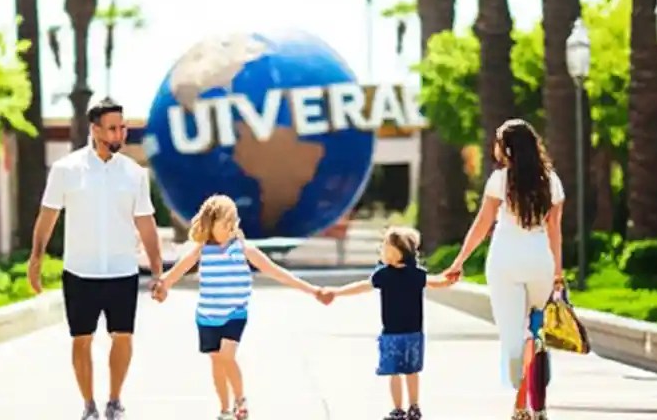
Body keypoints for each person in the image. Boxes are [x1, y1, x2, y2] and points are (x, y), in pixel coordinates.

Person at [27, 98, 165, 420]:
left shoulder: (135, 174)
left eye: (123, 127)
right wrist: (36, 258)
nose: (120, 134)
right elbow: (48, 217)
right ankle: (89, 405)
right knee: (81, 340)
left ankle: (114, 401)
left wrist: (158, 271)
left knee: (123, 336)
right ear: (95, 130)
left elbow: (146, 223)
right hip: (80, 271)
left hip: (121, 270)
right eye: (113, 128)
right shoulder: (66, 170)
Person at [154, 194, 323, 420]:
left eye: (233, 224)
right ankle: (224, 409)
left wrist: (312, 289)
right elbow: (178, 270)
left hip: (235, 313)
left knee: (227, 355)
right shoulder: (201, 249)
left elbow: (275, 271)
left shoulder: (242, 248)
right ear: (210, 224)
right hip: (207, 315)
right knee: (216, 361)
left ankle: (240, 400)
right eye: (224, 225)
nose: (229, 229)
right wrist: (163, 284)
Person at [443, 119, 564, 420]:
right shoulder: (551, 181)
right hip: (540, 263)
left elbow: (482, 224)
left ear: (507, 148)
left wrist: (459, 261)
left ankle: (522, 402)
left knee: (513, 341)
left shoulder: (500, 180)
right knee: (535, 334)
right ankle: (533, 404)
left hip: (504, 262)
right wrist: (558, 274)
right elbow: (554, 231)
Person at [318, 226, 455, 420]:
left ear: (398, 251)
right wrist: (336, 292)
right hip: (402, 333)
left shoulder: (410, 274)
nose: (382, 250)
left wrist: (450, 276)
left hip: (402, 334)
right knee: (403, 372)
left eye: (385, 246)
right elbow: (362, 286)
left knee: (404, 372)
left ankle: (409, 407)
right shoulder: (387, 274)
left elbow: (436, 282)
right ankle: (404, 408)